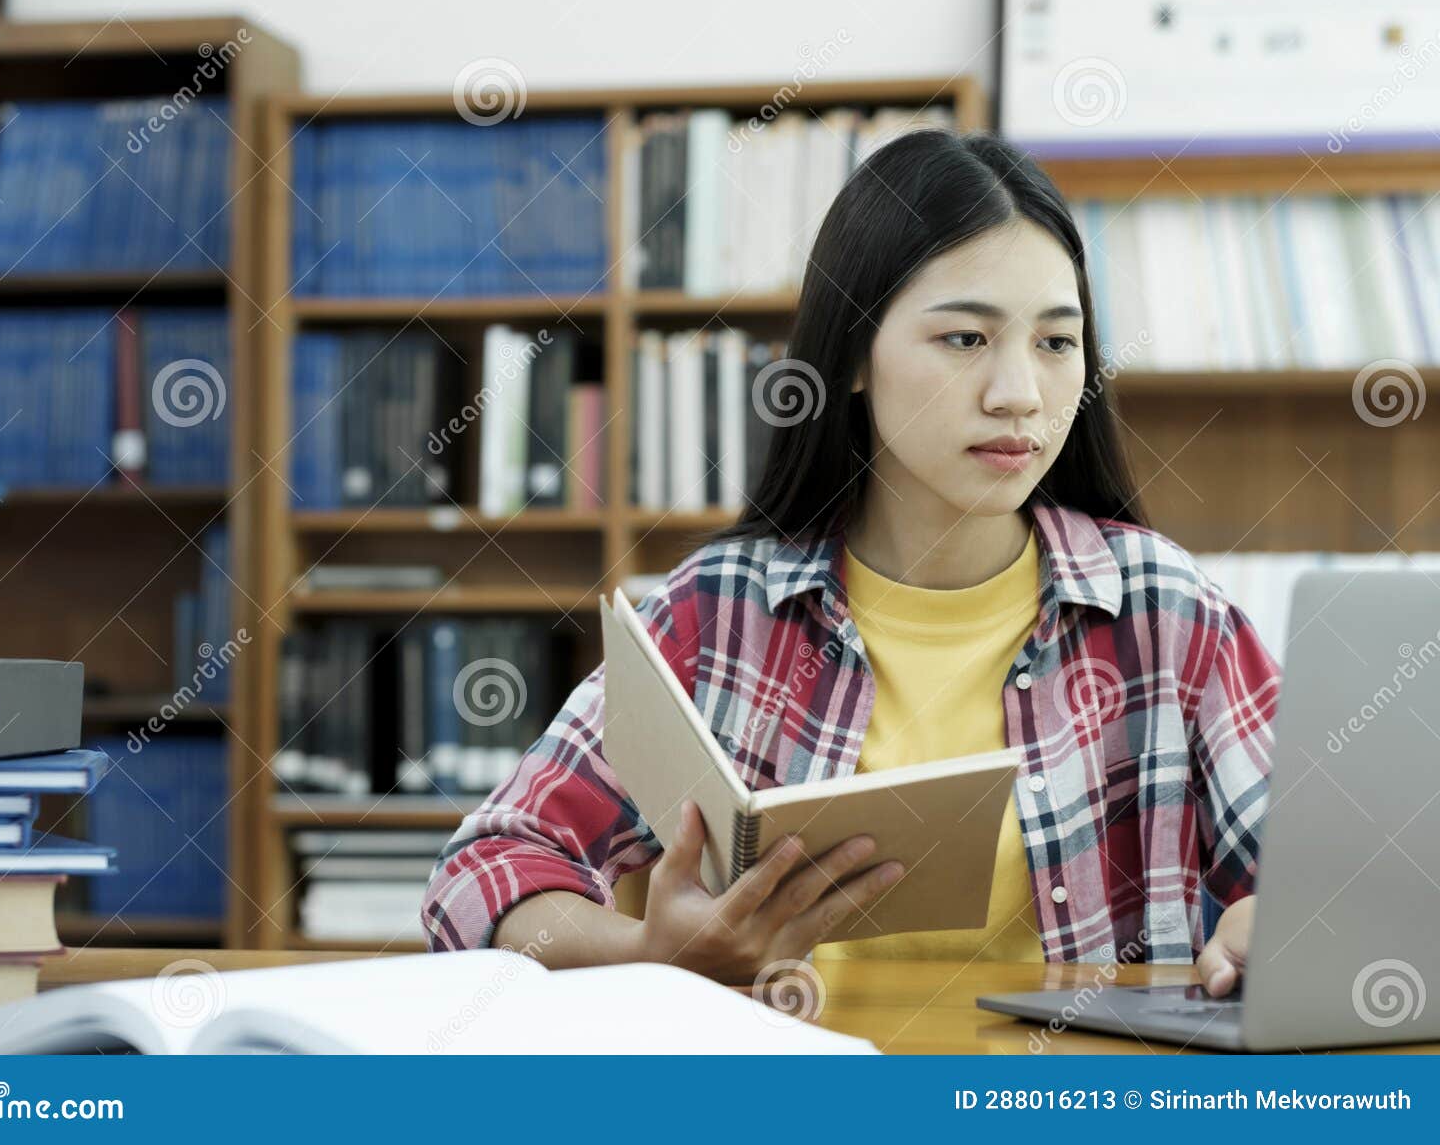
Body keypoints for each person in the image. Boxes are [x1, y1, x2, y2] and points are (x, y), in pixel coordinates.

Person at [421, 127, 1276, 999]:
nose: (1020, 394)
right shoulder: (721, 614)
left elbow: (1328, 880)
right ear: (855, 355)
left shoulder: (1165, 612)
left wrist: (1276, 923)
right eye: (965, 339)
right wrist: (650, 952)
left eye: (1057, 343)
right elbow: (480, 873)